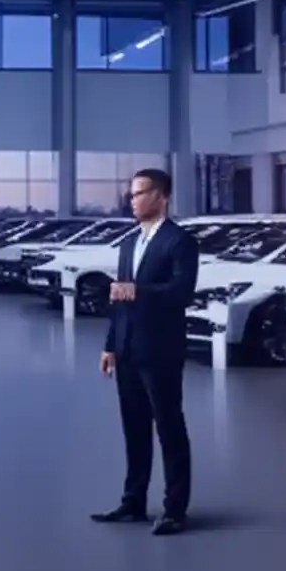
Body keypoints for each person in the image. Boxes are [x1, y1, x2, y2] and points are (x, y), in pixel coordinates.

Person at [92, 168, 199, 536]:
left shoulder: (179, 241)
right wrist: (110, 346)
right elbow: (119, 302)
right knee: (134, 429)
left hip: (160, 351)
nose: (132, 200)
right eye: (131, 194)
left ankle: (174, 510)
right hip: (127, 351)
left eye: (139, 193)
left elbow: (182, 292)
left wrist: (138, 290)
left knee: (169, 429)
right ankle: (133, 502)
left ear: (161, 196)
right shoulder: (128, 243)